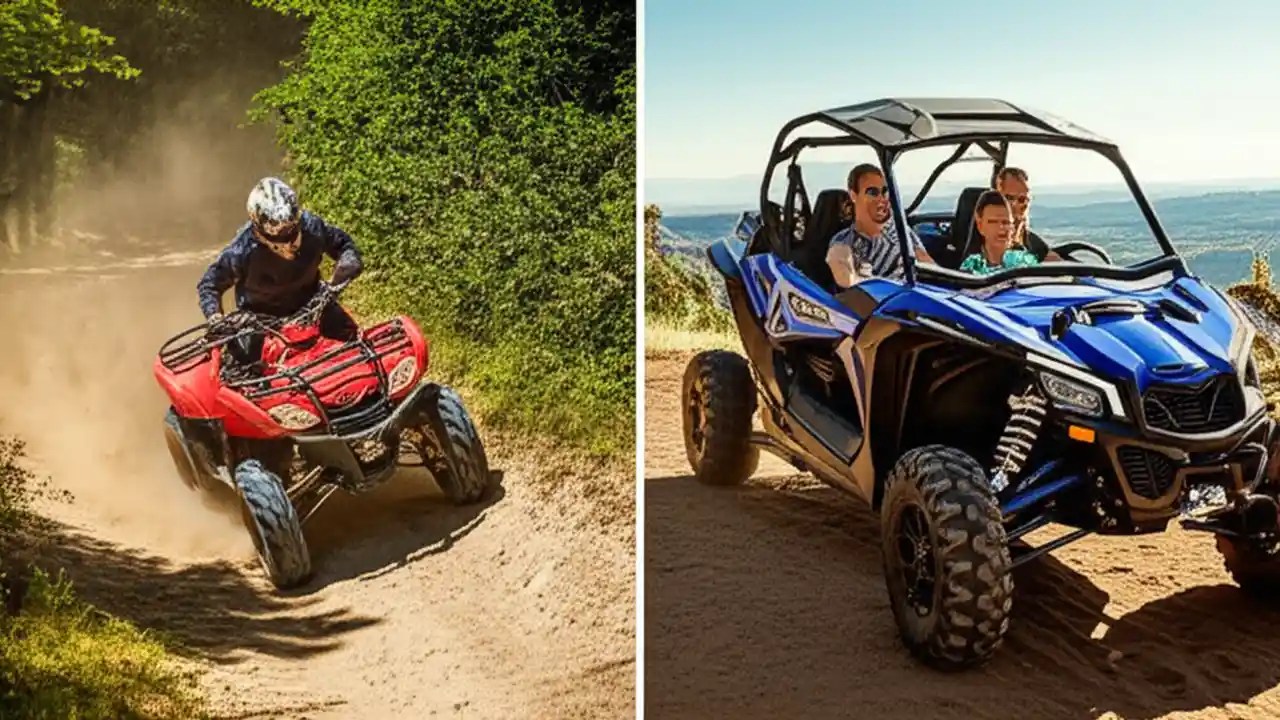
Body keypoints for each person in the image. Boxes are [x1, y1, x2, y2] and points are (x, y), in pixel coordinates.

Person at [197, 177, 364, 362]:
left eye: (291, 227)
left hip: (313, 305)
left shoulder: (313, 228)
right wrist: (215, 318)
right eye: (278, 231)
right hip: (259, 320)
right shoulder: (242, 250)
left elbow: (345, 245)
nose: (287, 237)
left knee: (356, 345)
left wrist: (343, 271)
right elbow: (209, 284)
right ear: (259, 228)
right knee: (243, 365)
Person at [825, 163, 935, 288]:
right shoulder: (843, 241)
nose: (881, 199)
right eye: (873, 193)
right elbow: (846, 279)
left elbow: (929, 266)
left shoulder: (901, 232)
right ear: (853, 195)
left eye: (884, 192)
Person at [958, 190, 1040, 275]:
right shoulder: (972, 266)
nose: (1001, 228)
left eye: (1006, 222)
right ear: (980, 226)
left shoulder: (1025, 262)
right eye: (993, 222)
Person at [994, 166, 1061, 262]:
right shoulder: (987, 241)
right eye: (1008, 198)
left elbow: (1057, 262)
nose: (1015, 204)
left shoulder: (1029, 239)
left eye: (1022, 199)